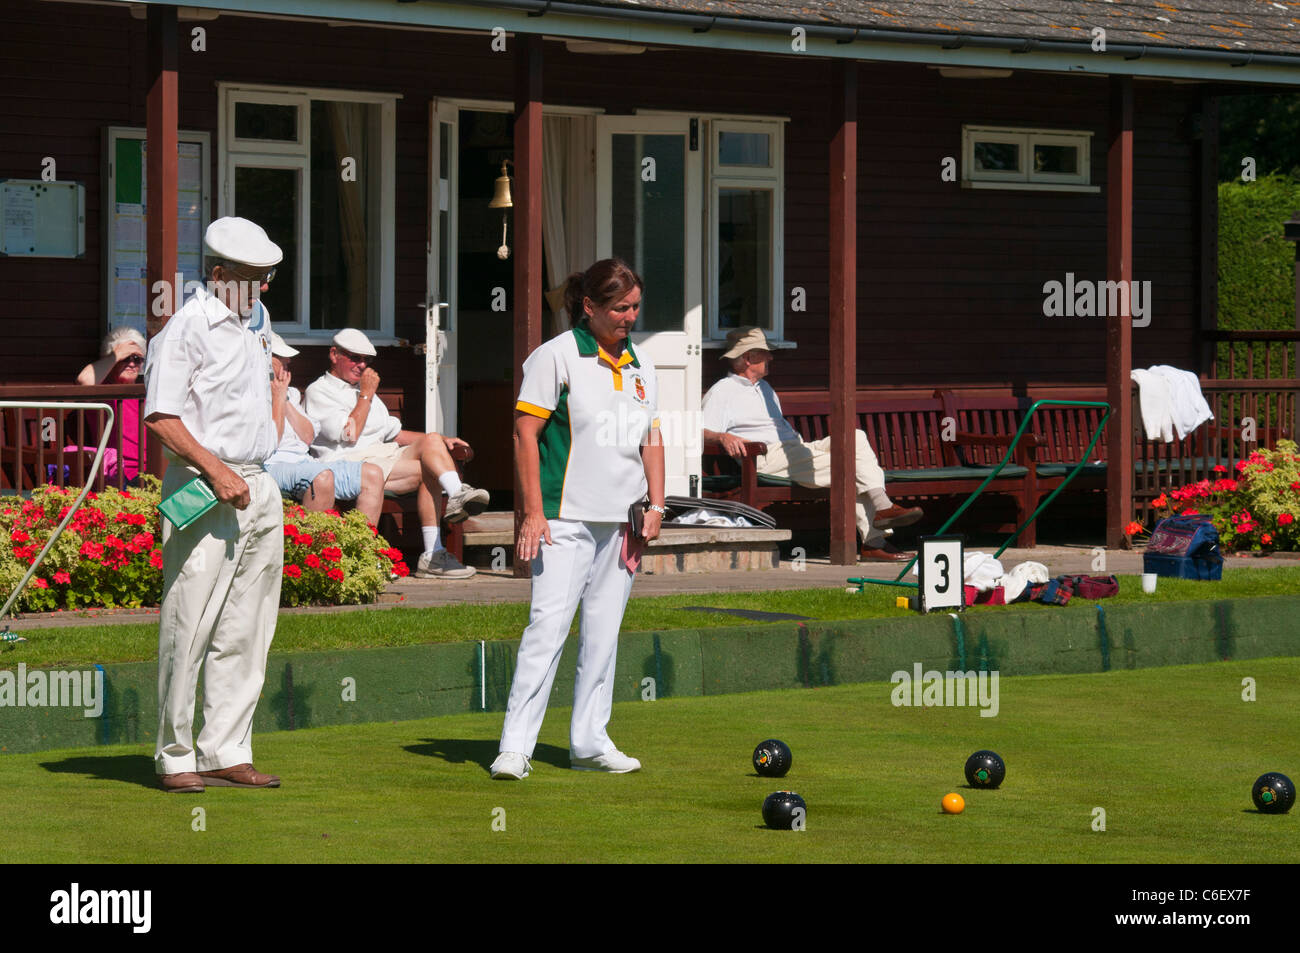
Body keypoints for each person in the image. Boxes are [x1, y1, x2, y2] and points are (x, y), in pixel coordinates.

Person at [490, 258, 664, 781]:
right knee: (547, 629)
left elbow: (650, 438)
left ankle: (589, 741)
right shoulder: (555, 357)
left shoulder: (643, 364)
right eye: (619, 308)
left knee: (603, 634)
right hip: (563, 519)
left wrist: (657, 505)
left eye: (635, 307)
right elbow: (525, 435)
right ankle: (515, 747)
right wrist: (532, 513)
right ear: (589, 307)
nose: (629, 317)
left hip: (624, 520)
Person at [143, 216, 285, 793]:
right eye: (255, 277)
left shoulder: (258, 317)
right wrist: (215, 468)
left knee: (248, 625)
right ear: (220, 274)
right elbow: (161, 415)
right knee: (190, 620)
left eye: (269, 276)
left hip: (260, 484)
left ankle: (226, 748)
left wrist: (250, 471)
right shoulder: (186, 327)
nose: (266, 287)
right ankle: (175, 755)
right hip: (203, 485)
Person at [701, 327, 923, 562]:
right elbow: (700, 431)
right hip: (768, 457)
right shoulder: (722, 392)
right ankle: (875, 537)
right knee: (850, 466)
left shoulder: (765, 389)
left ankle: (881, 511)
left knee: (855, 437)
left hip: (796, 449)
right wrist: (722, 437)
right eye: (765, 353)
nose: (771, 358)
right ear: (748, 358)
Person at [303, 328, 485, 580]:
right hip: (349, 465)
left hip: (383, 457)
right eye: (355, 358)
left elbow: (395, 434)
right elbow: (349, 434)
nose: (362, 365)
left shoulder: (364, 392)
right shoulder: (320, 391)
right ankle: (433, 549)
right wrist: (366, 394)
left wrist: (444, 441)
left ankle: (454, 501)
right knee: (429, 467)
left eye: (366, 360)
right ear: (334, 354)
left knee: (432, 442)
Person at [265, 333, 384, 523]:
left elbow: (307, 437)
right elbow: (271, 441)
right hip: (272, 464)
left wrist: (283, 398)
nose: (288, 361)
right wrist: (277, 398)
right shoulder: (252, 395)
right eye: (280, 358)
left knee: (373, 474)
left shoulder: (291, 393)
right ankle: (316, 551)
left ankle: (361, 548)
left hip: (303, 461)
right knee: (321, 477)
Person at [74, 326, 147, 483]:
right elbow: (84, 381)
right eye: (125, 358)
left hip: (151, 470)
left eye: (137, 358)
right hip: (118, 473)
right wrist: (117, 353)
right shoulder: (102, 391)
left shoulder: (147, 392)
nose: (132, 364)